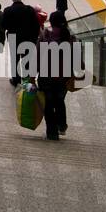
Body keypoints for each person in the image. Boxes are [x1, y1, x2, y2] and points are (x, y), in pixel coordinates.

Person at [38, 10, 75, 140]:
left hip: (46, 75)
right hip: (63, 77)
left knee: (48, 103)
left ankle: (52, 131)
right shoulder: (70, 37)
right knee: (59, 100)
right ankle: (62, 125)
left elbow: (38, 56)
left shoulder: (45, 35)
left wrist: (31, 75)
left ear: (51, 22)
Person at [2, 0, 41, 84]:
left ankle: (16, 80)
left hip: (13, 38)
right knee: (27, 60)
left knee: (14, 59)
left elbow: (4, 25)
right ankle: (27, 80)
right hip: (28, 38)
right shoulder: (30, 10)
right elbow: (36, 26)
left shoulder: (7, 10)